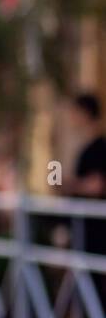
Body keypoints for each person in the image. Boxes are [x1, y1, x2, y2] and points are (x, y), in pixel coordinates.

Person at [69, 93, 106, 254]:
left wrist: (69, 185)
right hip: (85, 228)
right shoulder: (85, 149)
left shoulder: (99, 149)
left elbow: (97, 186)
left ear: (85, 114)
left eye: (74, 113)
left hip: (96, 230)